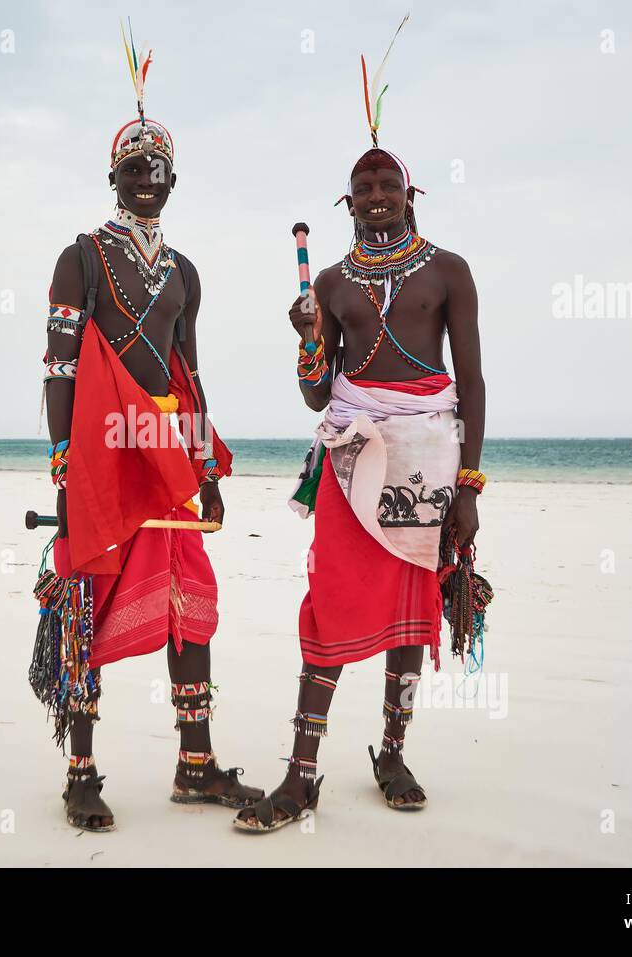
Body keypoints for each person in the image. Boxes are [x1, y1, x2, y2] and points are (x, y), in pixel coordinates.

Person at [236, 27, 487, 832]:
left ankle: (391, 750)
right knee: (333, 598)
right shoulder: (335, 281)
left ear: (411, 194)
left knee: (412, 609)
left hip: (427, 457)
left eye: (388, 181)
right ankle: (302, 773)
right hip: (349, 457)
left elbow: (473, 379)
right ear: (347, 203)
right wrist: (308, 335)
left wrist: (470, 487)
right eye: (363, 184)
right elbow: (318, 396)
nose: (377, 193)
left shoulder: (448, 269)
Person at [35, 29, 263, 833]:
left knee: (188, 605)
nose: (148, 179)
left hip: (164, 456)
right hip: (101, 455)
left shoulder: (185, 273)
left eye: (159, 167)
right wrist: (63, 465)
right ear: (113, 176)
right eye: (134, 167)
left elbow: (188, 376)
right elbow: (60, 369)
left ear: (174, 179)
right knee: (88, 601)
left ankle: (194, 763)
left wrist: (203, 466)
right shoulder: (81, 257)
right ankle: (82, 770)